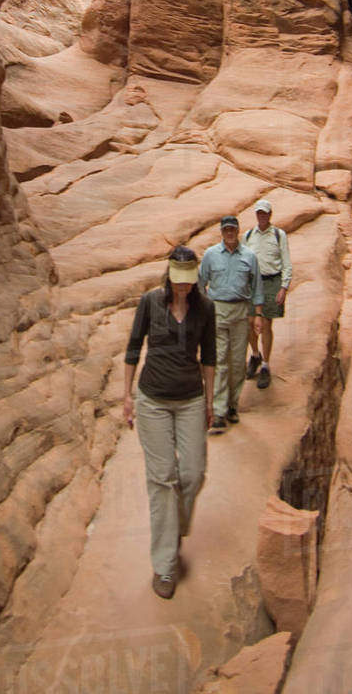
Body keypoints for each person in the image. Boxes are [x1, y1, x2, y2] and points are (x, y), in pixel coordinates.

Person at [123, 245, 216, 599]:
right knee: (163, 479)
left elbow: (210, 356)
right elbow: (134, 347)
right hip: (153, 401)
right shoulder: (150, 302)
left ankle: (173, 527)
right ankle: (165, 564)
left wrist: (210, 401)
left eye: (189, 280)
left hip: (190, 399)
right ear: (168, 275)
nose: (183, 286)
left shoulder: (205, 308)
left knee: (192, 473)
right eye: (178, 280)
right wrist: (127, 395)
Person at [198, 215, 263, 433]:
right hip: (217, 310)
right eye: (226, 230)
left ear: (237, 230)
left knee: (237, 362)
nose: (229, 233)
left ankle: (232, 405)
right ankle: (218, 411)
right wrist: (205, 307)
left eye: (232, 229)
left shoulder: (249, 256)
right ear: (221, 232)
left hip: (241, 311)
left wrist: (258, 314)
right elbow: (200, 282)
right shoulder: (211, 254)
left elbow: (257, 286)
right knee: (219, 361)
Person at [244, 199, 292, 389]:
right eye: (259, 213)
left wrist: (284, 287)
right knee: (249, 322)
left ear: (270, 214)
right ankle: (255, 355)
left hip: (272, 282)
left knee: (265, 324)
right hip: (253, 282)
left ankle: (265, 365)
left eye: (265, 213)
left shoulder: (279, 235)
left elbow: (286, 262)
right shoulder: (248, 235)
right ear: (256, 214)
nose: (262, 216)